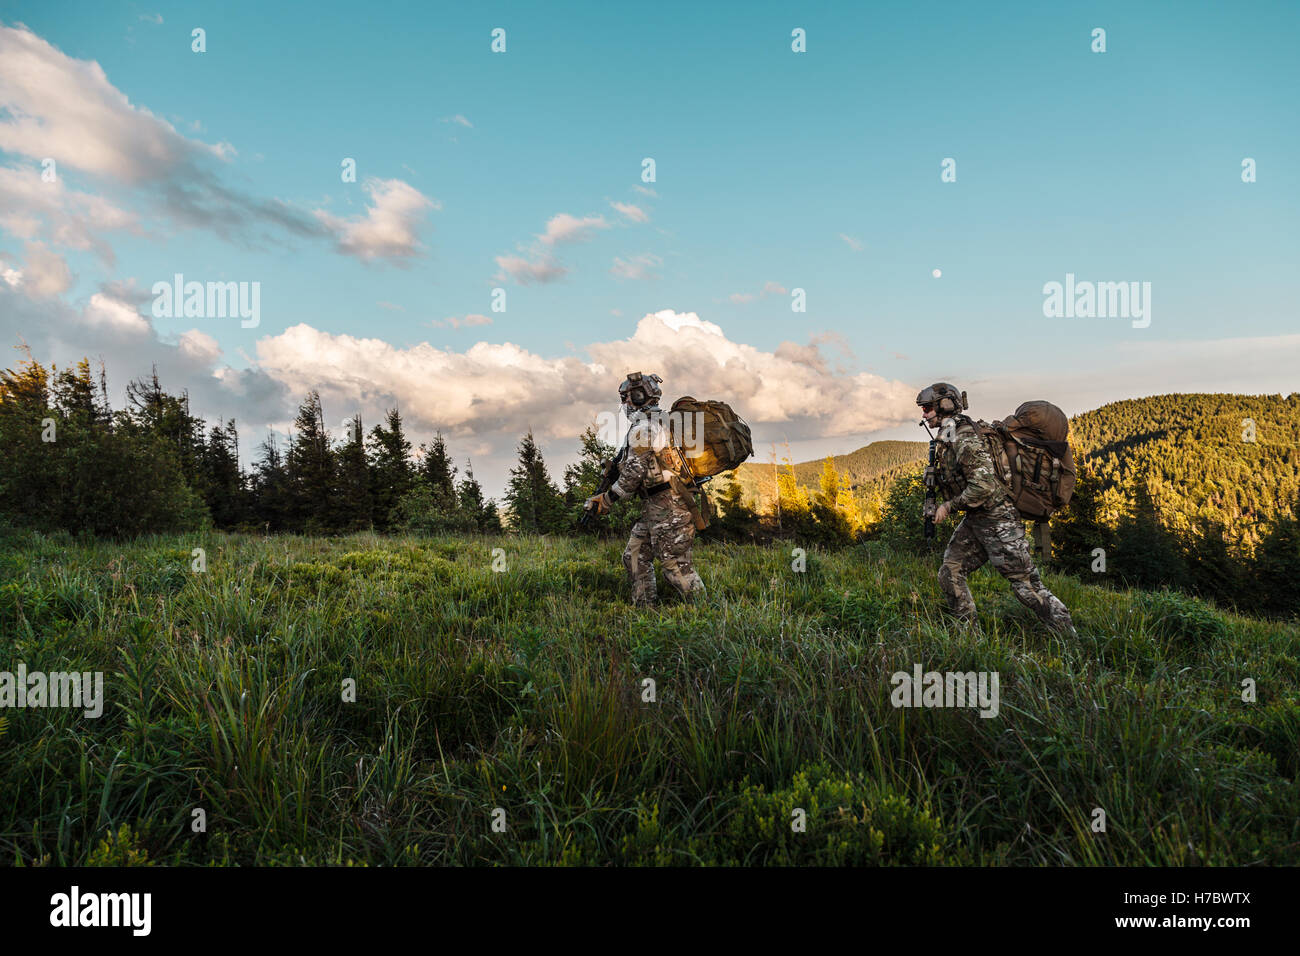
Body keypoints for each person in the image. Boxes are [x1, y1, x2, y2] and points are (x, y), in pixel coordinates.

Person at [917, 382, 1077, 636]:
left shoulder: (963, 434)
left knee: (1026, 586)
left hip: (998, 519)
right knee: (951, 572)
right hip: (978, 518)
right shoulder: (949, 433)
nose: (923, 414)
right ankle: (967, 637)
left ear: (944, 405)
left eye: (927, 408)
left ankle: (1069, 638)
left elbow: (984, 485)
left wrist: (948, 506)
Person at [585, 372, 706, 607]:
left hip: (670, 508)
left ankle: (708, 617)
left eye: (627, 398)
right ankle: (645, 610)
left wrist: (607, 500)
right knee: (634, 557)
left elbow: (633, 474)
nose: (625, 404)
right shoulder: (655, 423)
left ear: (640, 397)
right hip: (654, 508)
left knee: (676, 566)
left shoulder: (645, 428)